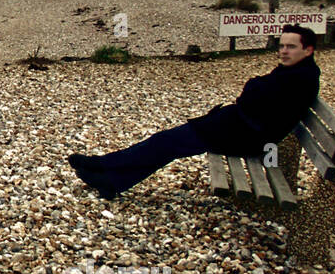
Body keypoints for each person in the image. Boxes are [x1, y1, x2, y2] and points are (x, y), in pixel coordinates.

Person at [67, 24, 320, 199]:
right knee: (167, 143)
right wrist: (253, 90)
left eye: (291, 47)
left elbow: (254, 93)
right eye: (282, 46)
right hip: (241, 126)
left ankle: (103, 165)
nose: (284, 51)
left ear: (308, 50)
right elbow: (255, 93)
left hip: (248, 135)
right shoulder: (295, 71)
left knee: (166, 142)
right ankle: (112, 180)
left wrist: (253, 89)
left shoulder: (300, 78)